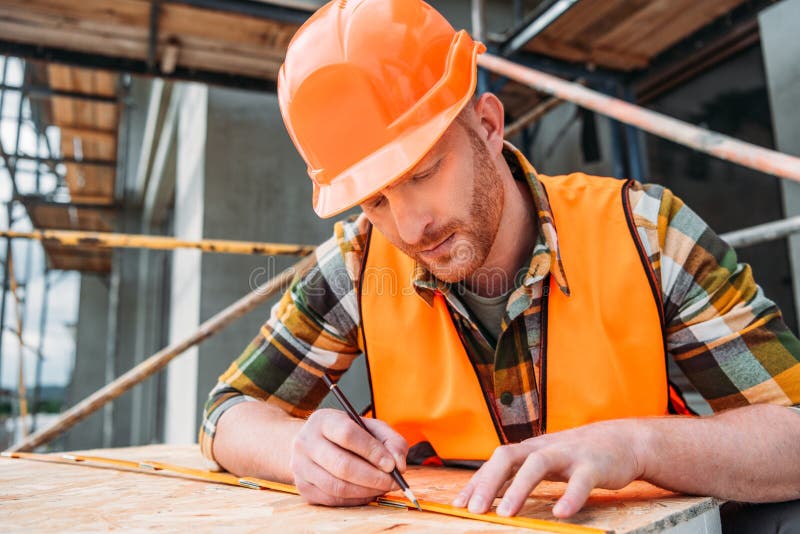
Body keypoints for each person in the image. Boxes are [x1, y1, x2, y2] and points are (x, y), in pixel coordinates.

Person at [200, 0, 800, 525]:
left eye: (424, 174)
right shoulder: (357, 264)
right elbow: (226, 415)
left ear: (487, 125)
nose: (410, 228)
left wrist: (640, 443)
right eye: (375, 200)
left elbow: (793, 435)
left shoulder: (645, 232)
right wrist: (299, 450)